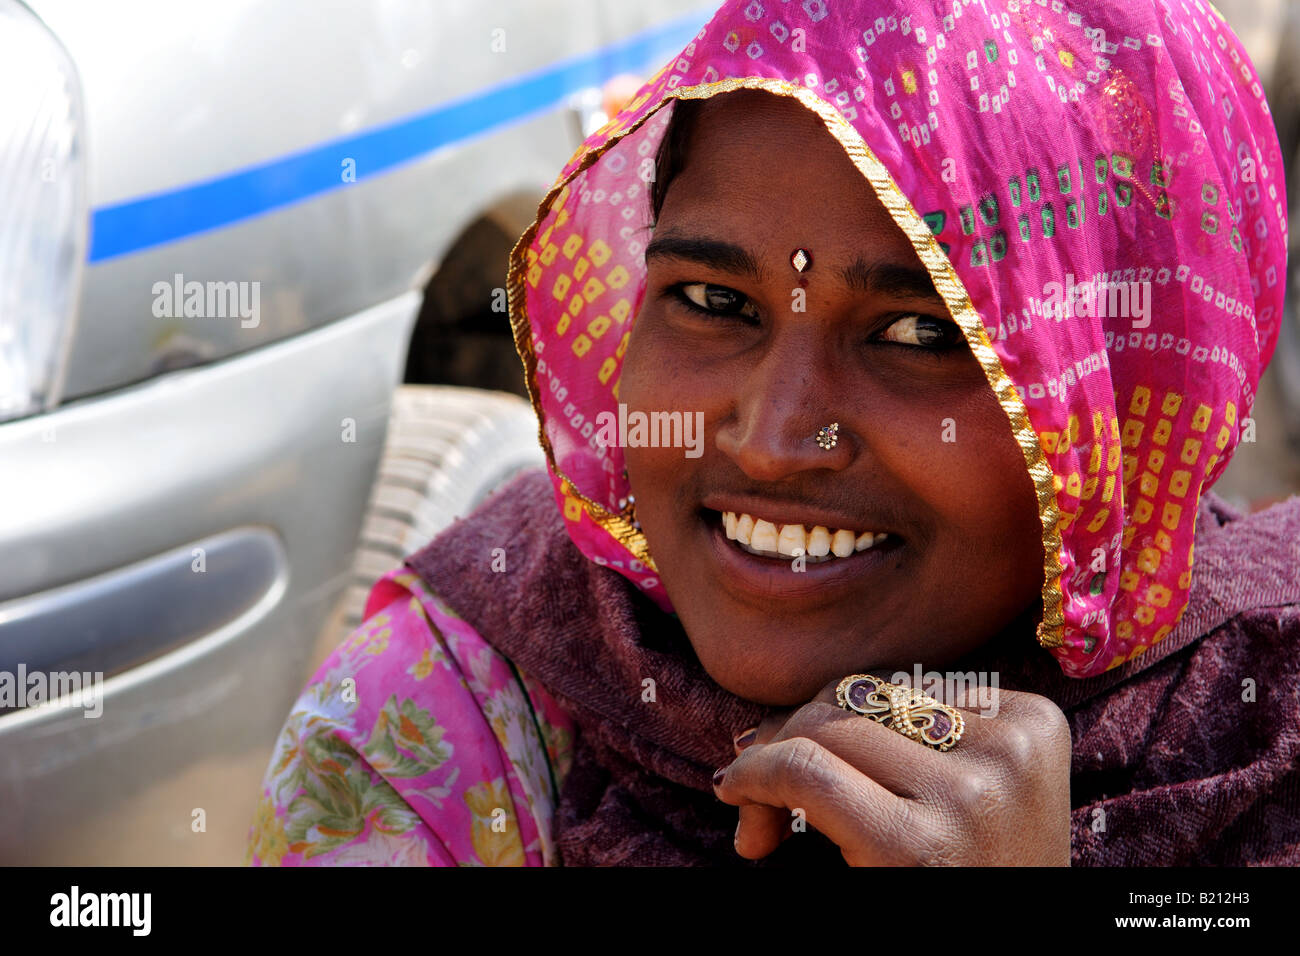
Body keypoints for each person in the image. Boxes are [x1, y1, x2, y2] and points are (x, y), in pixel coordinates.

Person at [246, 0, 1300, 866]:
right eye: (712, 301)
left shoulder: (1261, 725)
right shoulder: (462, 708)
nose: (769, 440)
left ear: (1125, 386)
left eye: (920, 330)